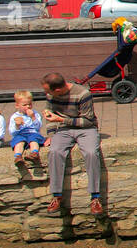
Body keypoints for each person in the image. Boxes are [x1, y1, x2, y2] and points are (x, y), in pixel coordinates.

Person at [41, 73, 104, 216]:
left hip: (86, 129)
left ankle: (95, 197)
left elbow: (88, 121)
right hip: (63, 129)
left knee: (91, 153)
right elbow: (49, 116)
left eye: (48, 90)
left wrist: (62, 120)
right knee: (55, 152)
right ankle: (56, 195)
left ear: (57, 90)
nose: (46, 93)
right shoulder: (50, 96)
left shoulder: (83, 94)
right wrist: (51, 134)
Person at [8, 91, 46, 164]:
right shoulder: (15, 116)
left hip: (32, 133)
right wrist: (17, 126)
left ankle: (34, 153)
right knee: (19, 142)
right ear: (17, 106)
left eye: (30, 104)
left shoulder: (35, 114)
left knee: (33, 139)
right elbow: (12, 132)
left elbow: (38, 127)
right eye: (24, 105)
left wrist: (33, 117)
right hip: (21, 134)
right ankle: (18, 156)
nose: (28, 106)